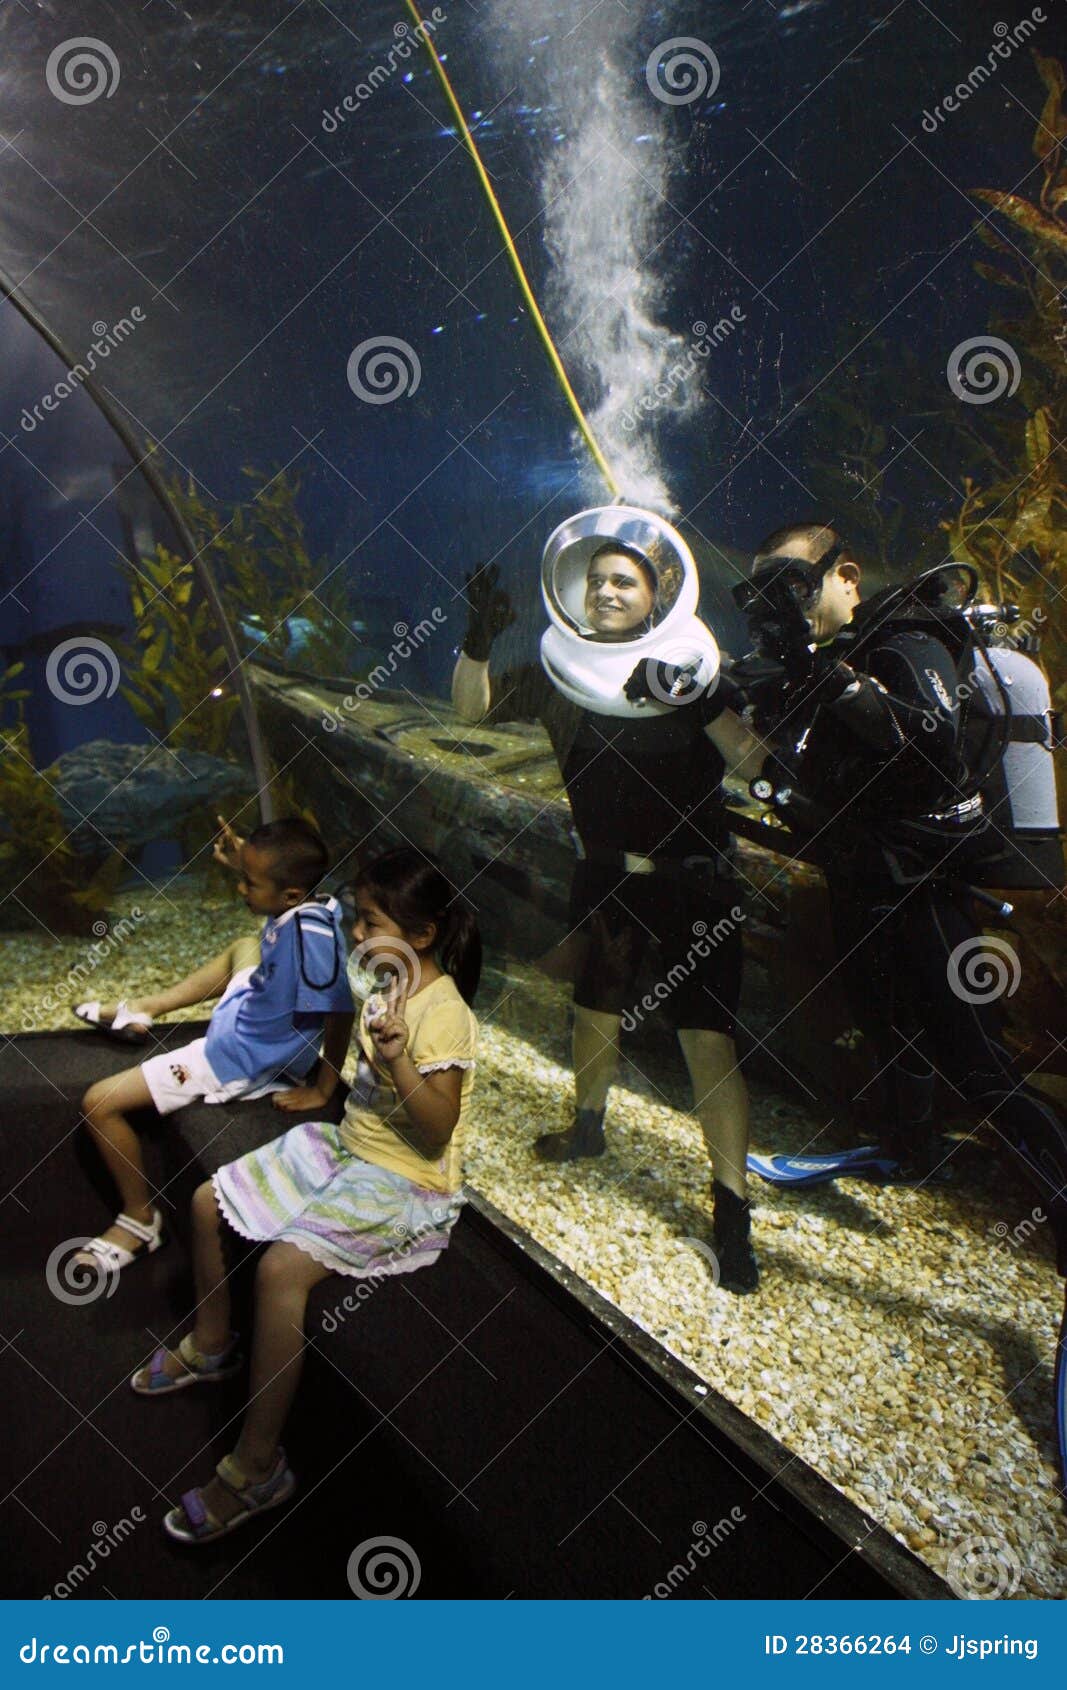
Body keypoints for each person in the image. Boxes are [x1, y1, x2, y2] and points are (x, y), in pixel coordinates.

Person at [735, 521, 1067, 1266]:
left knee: (978, 1064)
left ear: (844, 574)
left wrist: (833, 681)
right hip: (867, 878)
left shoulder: (903, 639)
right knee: (882, 1018)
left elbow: (928, 741)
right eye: (764, 590)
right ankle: (906, 1148)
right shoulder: (824, 661)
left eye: (791, 583)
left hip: (922, 887)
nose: (777, 603)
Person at [130, 848, 480, 1545]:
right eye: (356, 919)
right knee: (206, 1199)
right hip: (348, 1148)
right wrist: (332, 1086)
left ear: (421, 934)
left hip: (407, 1179)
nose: (355, 934)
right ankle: (212, 1341)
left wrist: (399, 1058)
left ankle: (256, 1468)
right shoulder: (390, 982)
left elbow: (438, 1131)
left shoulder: (446, 1014)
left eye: (369, 921)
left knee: (282, 1270)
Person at [452, 538, 764, 1295]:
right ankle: (587, 1127)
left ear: (656, 594)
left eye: (622, 580)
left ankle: (731, 1211)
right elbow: (473, 711)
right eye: (594, 580)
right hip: (603, 877)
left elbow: (754, 766)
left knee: (706, 1040)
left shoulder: (691, 672)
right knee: (592, 1005)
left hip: (694, 885)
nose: (605, 591)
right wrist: (477, 637)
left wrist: (701, 697)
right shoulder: (562, 676)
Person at [69, 817, 354, 1281]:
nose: (241, 887)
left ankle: (141, 1221)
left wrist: (323, 1088)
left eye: (249, 882)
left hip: (236, 1057)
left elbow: (341, 1012)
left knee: (99, 1103)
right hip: (250, 1009)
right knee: (245, 945)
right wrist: (245, 858)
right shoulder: (302, 909)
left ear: (290, 896)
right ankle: (144, 1008)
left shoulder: (312, 943)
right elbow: (273, 895)